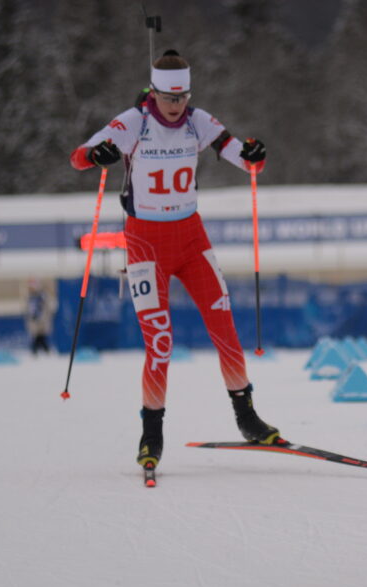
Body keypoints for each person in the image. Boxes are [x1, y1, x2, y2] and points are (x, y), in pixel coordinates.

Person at [69, 49, 279, 471]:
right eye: (170, 98)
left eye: (183, 97)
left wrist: (255, 155)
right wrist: (96, 157)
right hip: (146, 244)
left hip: (191, 239)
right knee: (160, 344)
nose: (177, 106)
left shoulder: (198, 121)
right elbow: (78, 157)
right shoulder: (133, 122)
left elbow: (243, 156)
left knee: (225, 328)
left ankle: (247, 418)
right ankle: (152, 434)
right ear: (154, 94)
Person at [25, 279, 55, 355]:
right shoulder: (29, 297)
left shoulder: (42, 296)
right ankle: (41, 350)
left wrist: (44, 318)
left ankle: (40, 350)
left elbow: (46, 308)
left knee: (40, 336)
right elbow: (28, 310)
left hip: (42, 320)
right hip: (34, 321)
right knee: (38, 336)